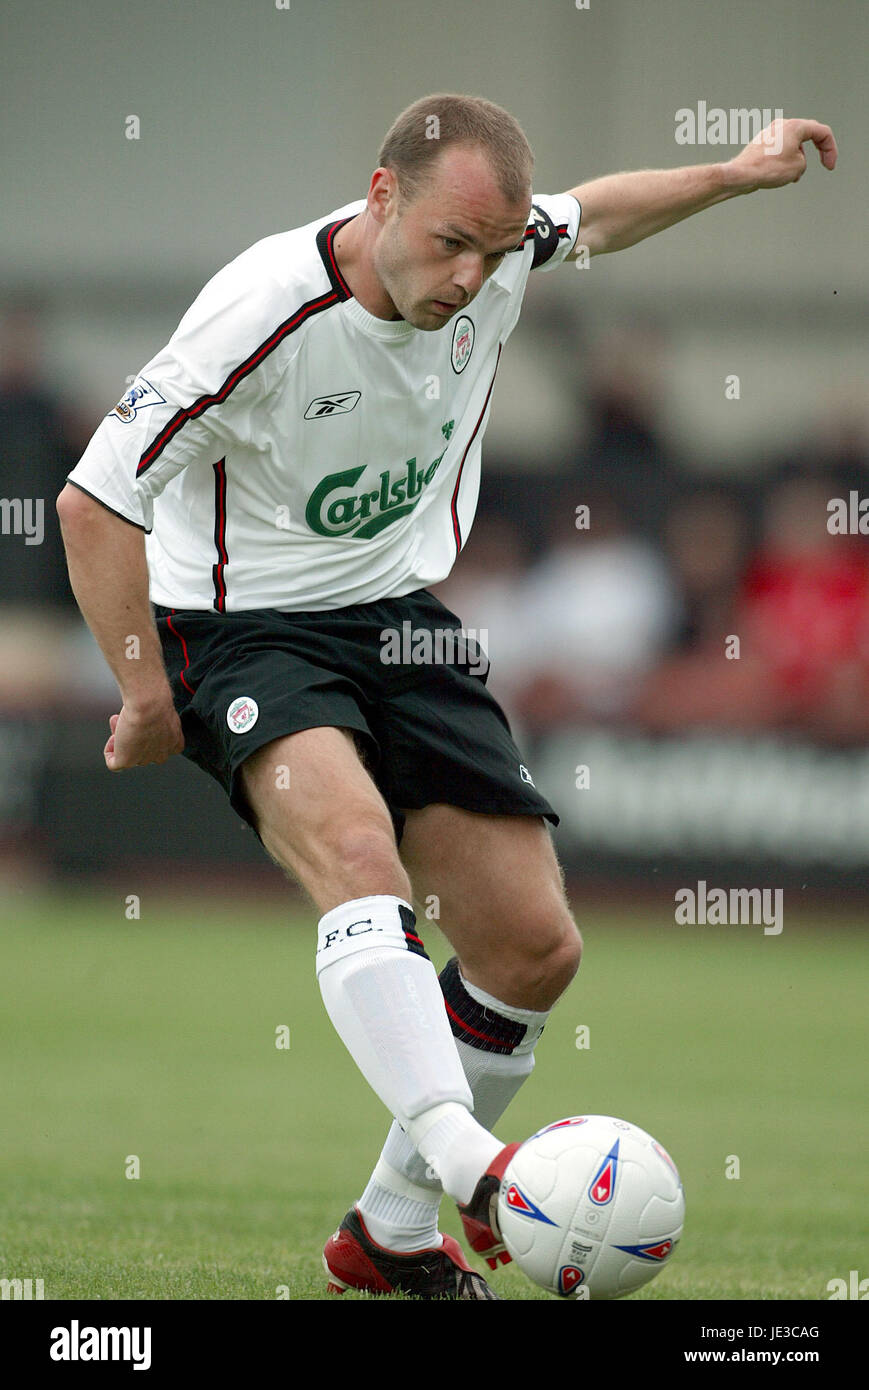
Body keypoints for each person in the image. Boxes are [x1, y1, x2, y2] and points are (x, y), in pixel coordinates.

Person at [56, 94, 837, 1299]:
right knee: (359, 855)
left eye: (496, 248)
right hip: (245, 631)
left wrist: (733, 174)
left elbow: (601, 213)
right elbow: (93, 498)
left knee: (530, 946)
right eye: (449, 244)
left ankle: (390, 1231)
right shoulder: (263, 310)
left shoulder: (503, 244)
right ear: (381, 197)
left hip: (402, 623)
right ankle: (480, 1171)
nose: (473, 275)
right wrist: (144, 691)